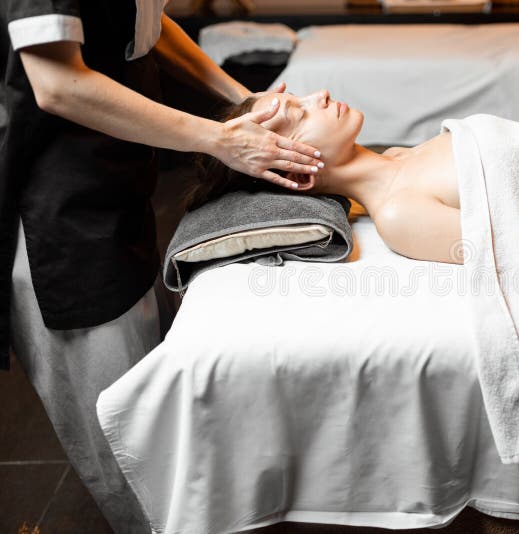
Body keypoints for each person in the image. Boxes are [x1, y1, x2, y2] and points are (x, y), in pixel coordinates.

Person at [1, 3, 323, 532]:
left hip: (119, 182)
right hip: (56, 215)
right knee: (126, 435)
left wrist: (240, 101)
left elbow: (147, 27)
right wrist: (220, 138)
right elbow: (56, 82)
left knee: (157, 407)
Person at [185, 90, 463, 264]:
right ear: (300, 174)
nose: (321, 94)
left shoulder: (400, 154)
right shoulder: (399, 215)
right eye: (299, 114)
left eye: (299, 98)